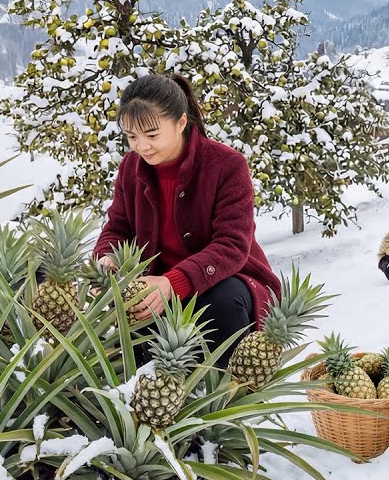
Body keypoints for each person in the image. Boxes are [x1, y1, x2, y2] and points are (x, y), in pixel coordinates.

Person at [93, 73, 281, 363]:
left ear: (181, 123)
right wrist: (107, 258)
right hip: (154, 287)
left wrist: (172, 283)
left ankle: (228, 387)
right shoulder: (131, 167)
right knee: (136, 318)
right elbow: (118, 226)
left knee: (219, 301)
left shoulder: (227, 165)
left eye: (152, 135)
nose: (142, 146)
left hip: (226, 282)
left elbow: (232, 244)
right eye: (132, 137)